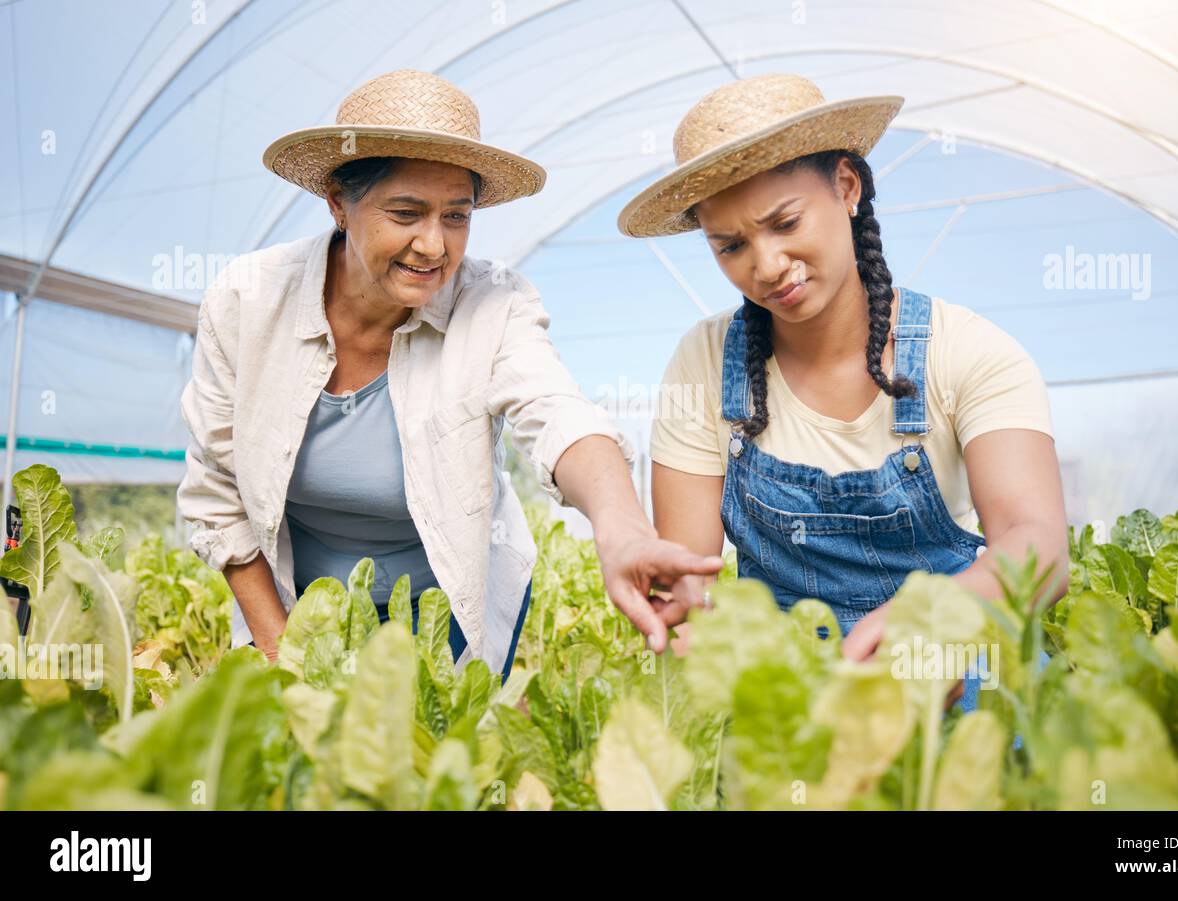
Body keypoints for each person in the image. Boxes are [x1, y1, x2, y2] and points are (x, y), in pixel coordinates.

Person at [178, 69, 721, 678]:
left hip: (446, 605)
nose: (434, 245)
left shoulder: (492, 303)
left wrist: (622, 530)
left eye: (456, 217)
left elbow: (558, 411)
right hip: (294, 607)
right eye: (405, 212)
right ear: (338, 202)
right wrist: (284, 653)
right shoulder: (248, 301)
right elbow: (217, 491)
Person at [621, 73, 1069, 705]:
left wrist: (940, 622)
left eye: (785, 222)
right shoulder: (702, 362)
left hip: (957, 659)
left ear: (847, 187)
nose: (768, 265)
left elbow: (1038, 543)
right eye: (731, 246)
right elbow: (691, 572)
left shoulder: (967, 350)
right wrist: (698, 625)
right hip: (786, 685)